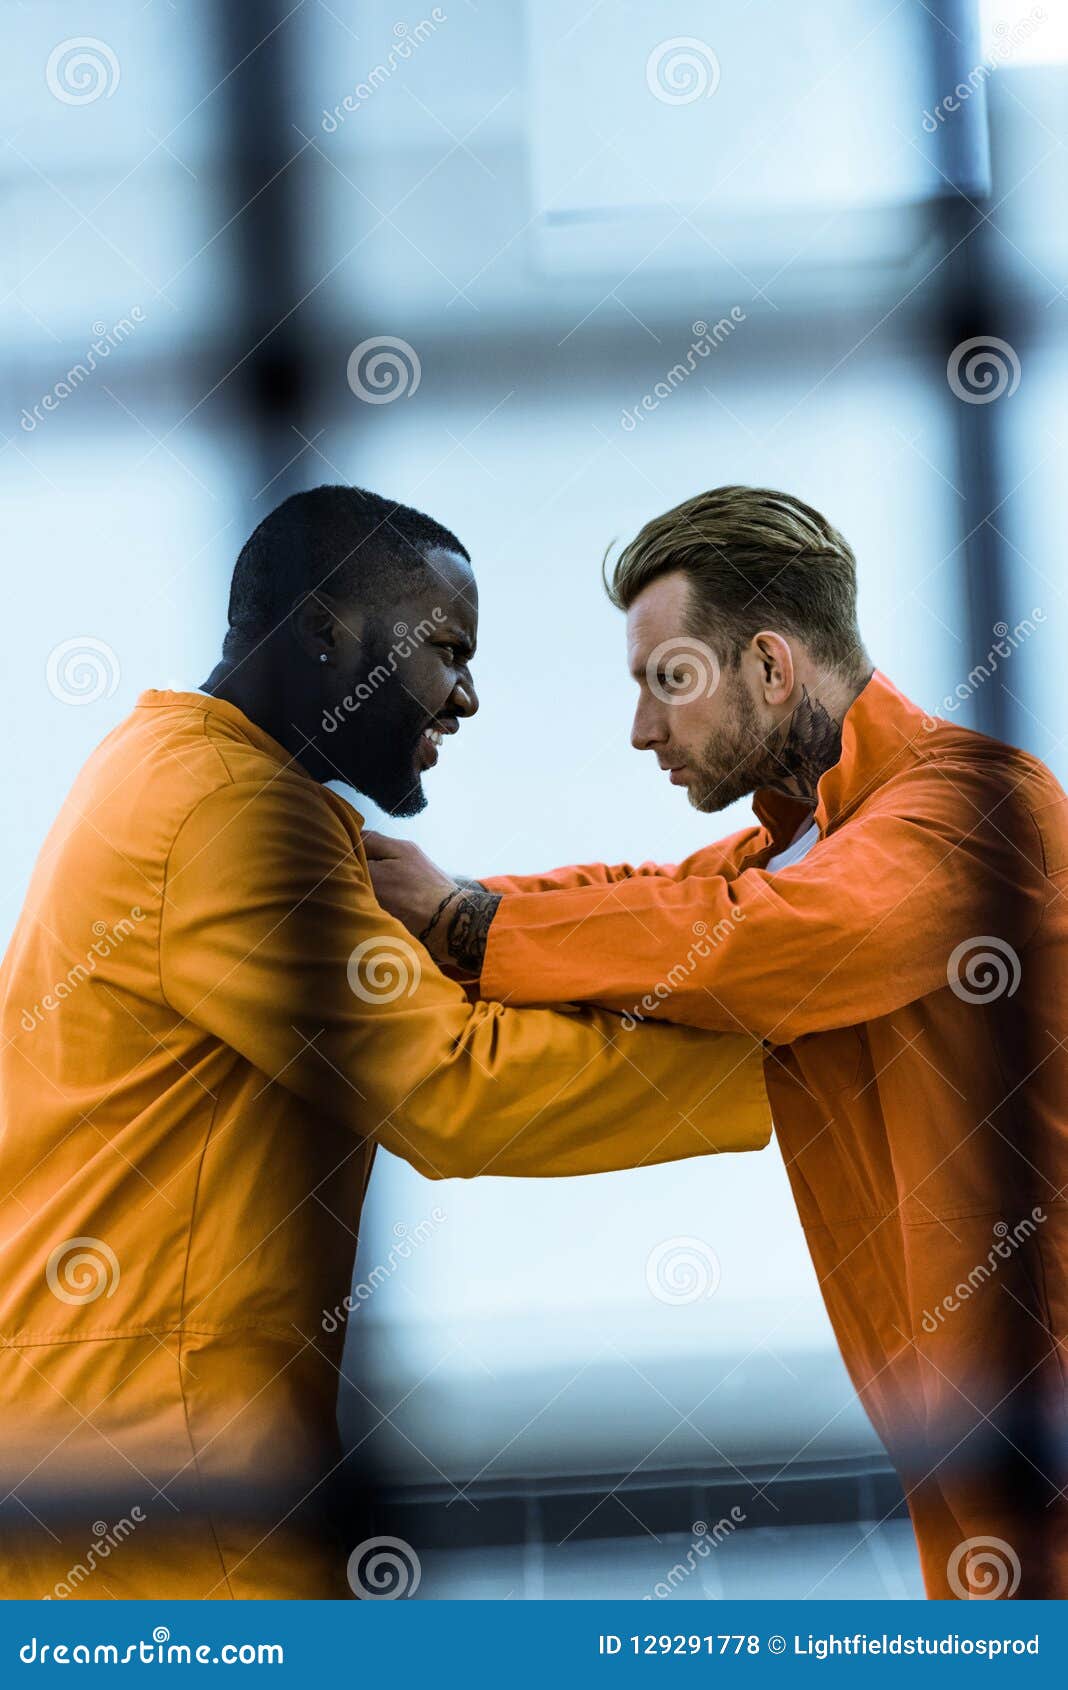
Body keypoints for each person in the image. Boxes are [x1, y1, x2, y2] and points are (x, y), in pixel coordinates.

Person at [0, 486, 770, 1601]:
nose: (465, 697)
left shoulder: (168, 766)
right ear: (325, 633)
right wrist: (802, 1071)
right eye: (447, 650)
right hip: (157, 1473)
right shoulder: (230, 813)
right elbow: (458, 1090)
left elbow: (426, 1012)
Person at [366, 484, 1068, 1601]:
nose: (644, 727)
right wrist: (433, 902)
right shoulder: (813, 844)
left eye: (668, 681)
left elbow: (779, 938)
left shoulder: (973, 804)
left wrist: (470, 924)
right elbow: (647, 896)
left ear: (774, 667)